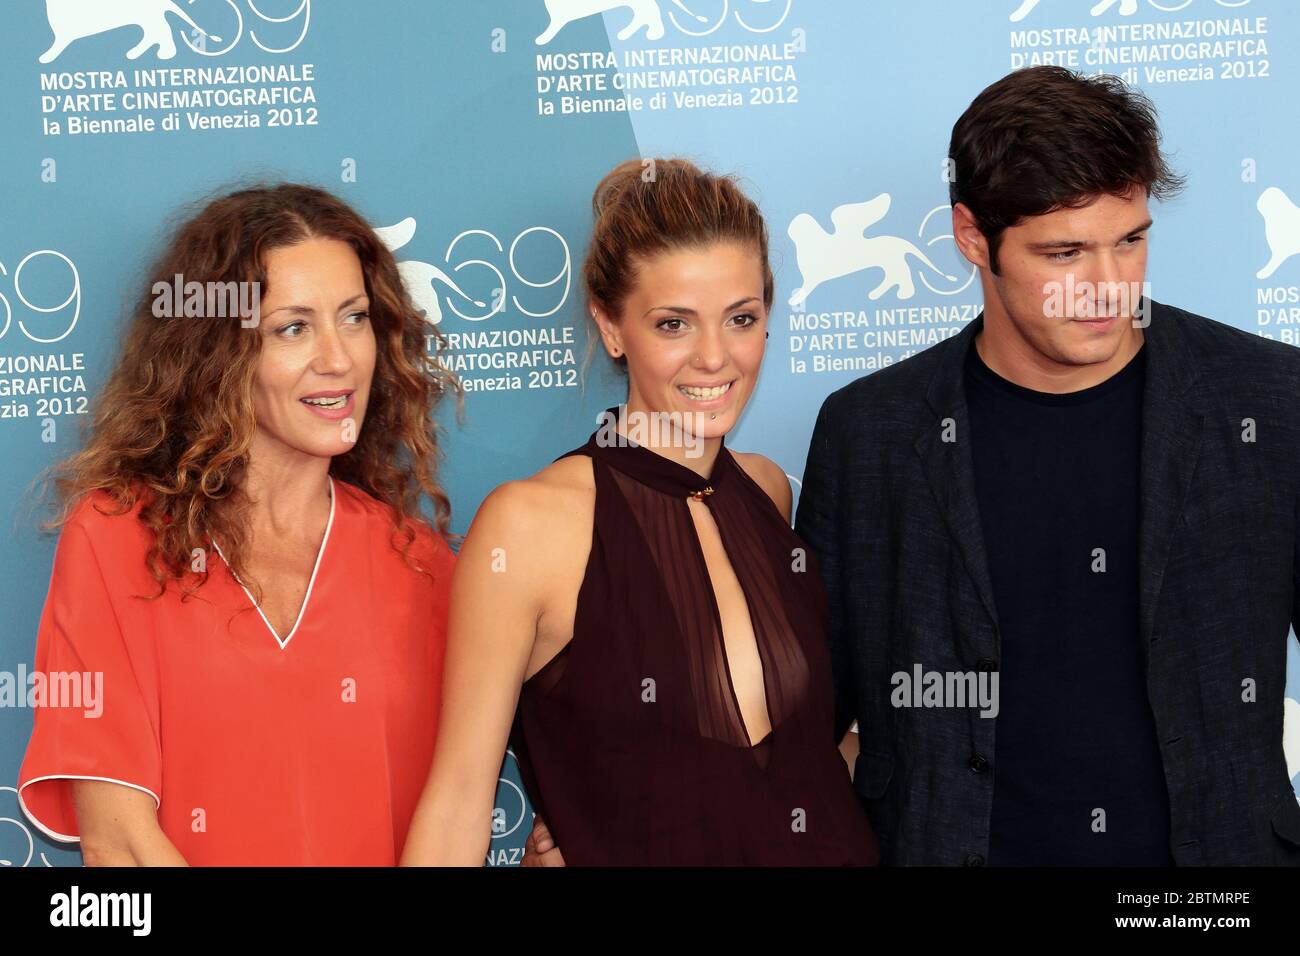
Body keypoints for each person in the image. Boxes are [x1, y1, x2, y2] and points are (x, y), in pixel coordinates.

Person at [794, 65, 1300, 865]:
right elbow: (802, 720)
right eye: (1064, 252)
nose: (1108, 287)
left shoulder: (1271, 401)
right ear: (971, 238)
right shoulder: (871, 434)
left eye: (1130, 240)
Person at [401, 158, 879, 865]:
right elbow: (460, 802)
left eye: (741, 318)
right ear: (612, 326)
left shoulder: (769, 491)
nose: (715, 357)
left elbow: (805, 760)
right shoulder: (530, 525)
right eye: (673, 324)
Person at [17, 183, 460, 866]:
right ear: (217, 352)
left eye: (354, 317)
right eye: (293, 327)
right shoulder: (114, 538)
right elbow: (121, 843)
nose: (339, 359)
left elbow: (461, 805)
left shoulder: (424, 566)